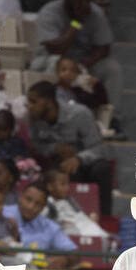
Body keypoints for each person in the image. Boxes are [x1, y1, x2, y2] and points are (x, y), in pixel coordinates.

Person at [30, 0, 122, 128]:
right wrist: (77, 22)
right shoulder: (49, 12)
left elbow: (104, 48)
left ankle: (110, 119)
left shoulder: (96, 13)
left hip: (82, 62)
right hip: (50, 59)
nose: (82, 3)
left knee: (111, 68)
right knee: (55, 62)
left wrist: (83, 64)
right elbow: (56, 49)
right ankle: (52, 117)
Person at [26, 80, 113, 216]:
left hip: (86, 162)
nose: (29, 106)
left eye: (33, 101)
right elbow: (36, 146)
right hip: (58, 164)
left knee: (102, 168)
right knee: (60, 173)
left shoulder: (79, 114)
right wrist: (54, 148)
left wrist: (78, 158)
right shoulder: (34, 119)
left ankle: (105, 218)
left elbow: (99, 148)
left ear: (48, 102)